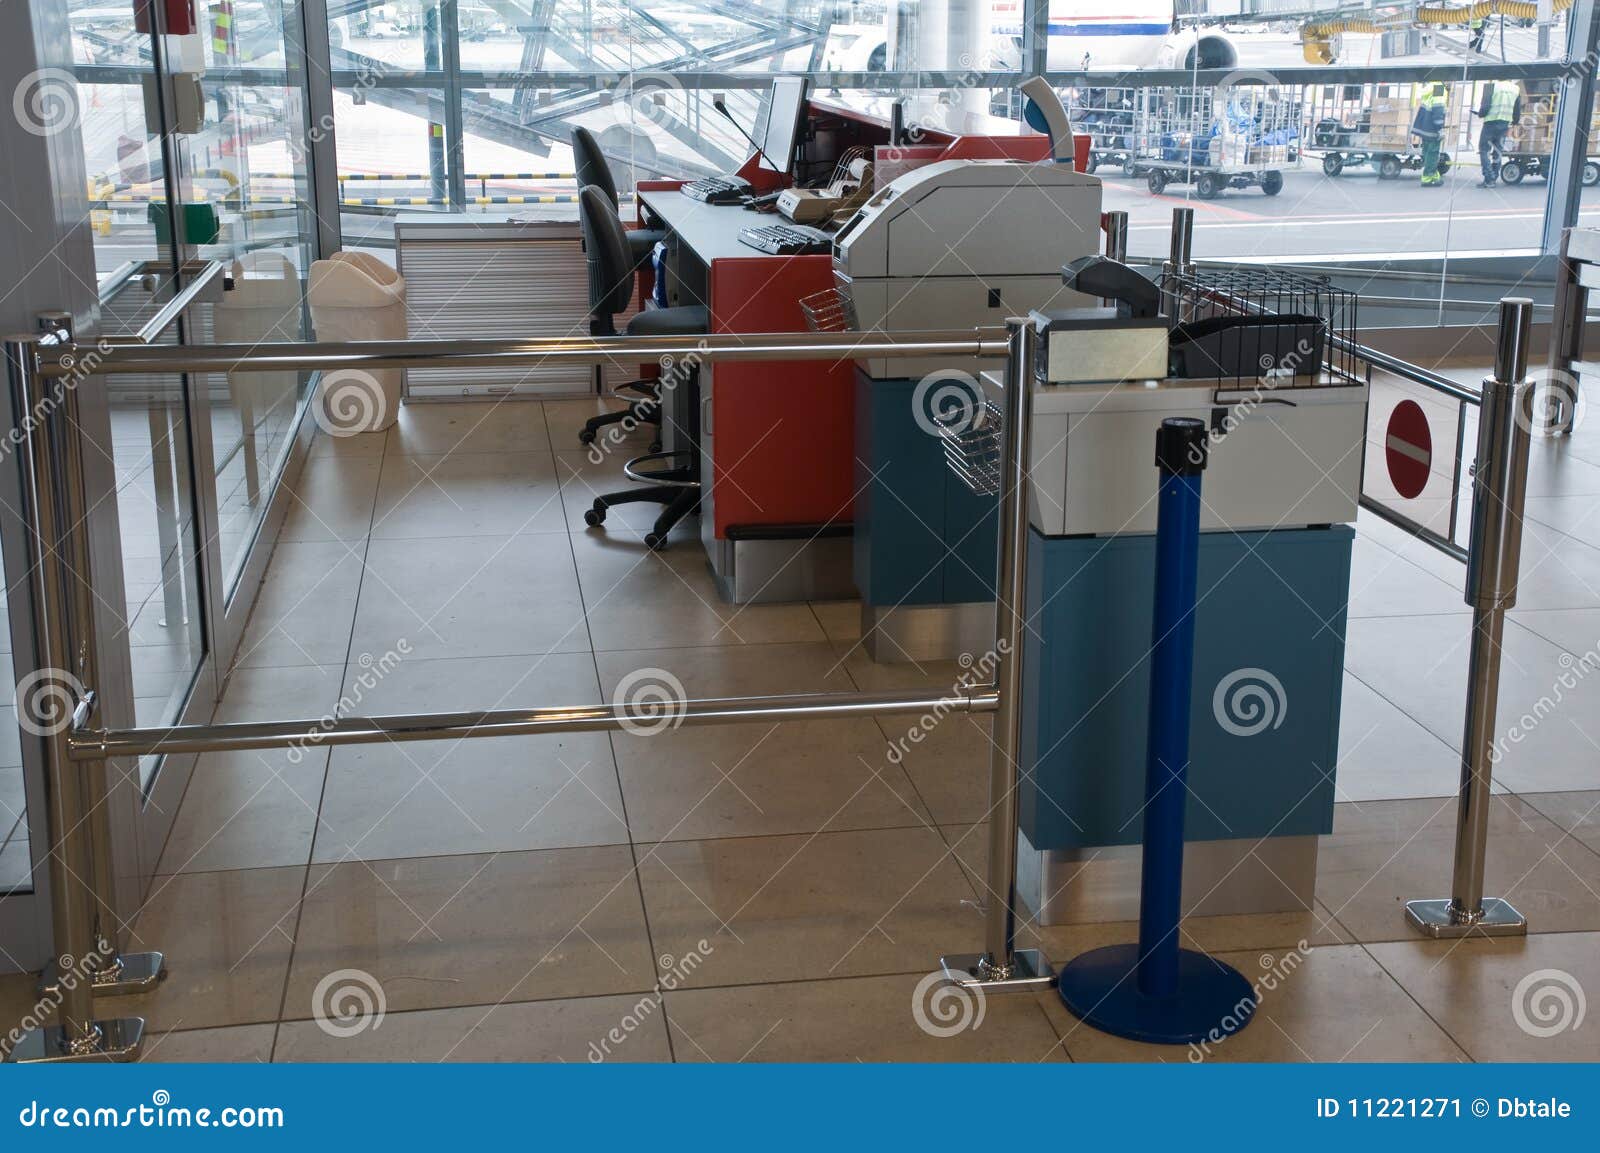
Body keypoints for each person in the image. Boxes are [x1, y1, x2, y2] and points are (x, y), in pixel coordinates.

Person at [1476, 78, 1521, 188]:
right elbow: (1517, 109)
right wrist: (1515, 122)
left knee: (1484, 150)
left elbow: (1485, 107)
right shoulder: (1516, 89)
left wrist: (1480, 114)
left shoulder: (1490, 87)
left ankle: (1489, 178)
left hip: (1490, 123)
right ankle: (1493, 177)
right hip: (1504, 124)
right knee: (1498, 151)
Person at [1412, 81, 1450, 187]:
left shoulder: (1430, 87)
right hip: (1432, 129)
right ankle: (1427, 177)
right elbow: (1438, 110)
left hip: (1425, 127)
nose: (1450, 83)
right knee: (1433, 153)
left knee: (1428, 152)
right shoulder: (1439, 88)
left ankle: (1434, 174)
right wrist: (1440, 129)